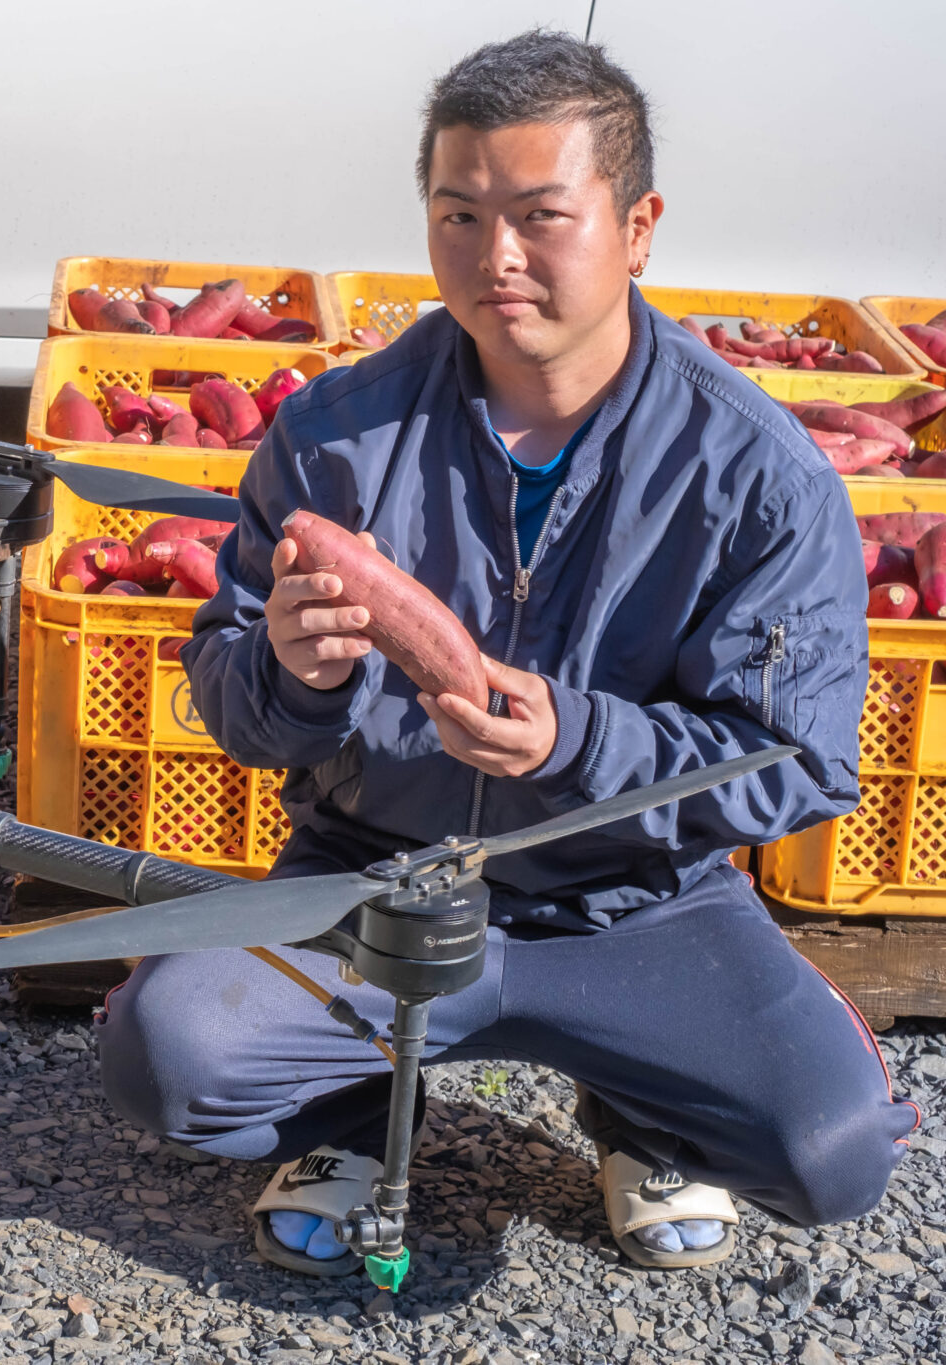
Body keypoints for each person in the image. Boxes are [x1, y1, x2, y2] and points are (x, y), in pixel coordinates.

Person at [96, 29, 917, 1275]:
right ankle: (357, 1118)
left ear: (635, 226)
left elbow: (798, 766)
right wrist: (288, 678)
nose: (496, 259)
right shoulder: (332, 438)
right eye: (457, 214)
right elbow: (232, 703)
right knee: (168, 1058)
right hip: (379, 878)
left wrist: (578, 741)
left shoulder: (758, 473)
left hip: (642, 902)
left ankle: (643, 1118)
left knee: (833, 1152)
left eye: (540, 215)